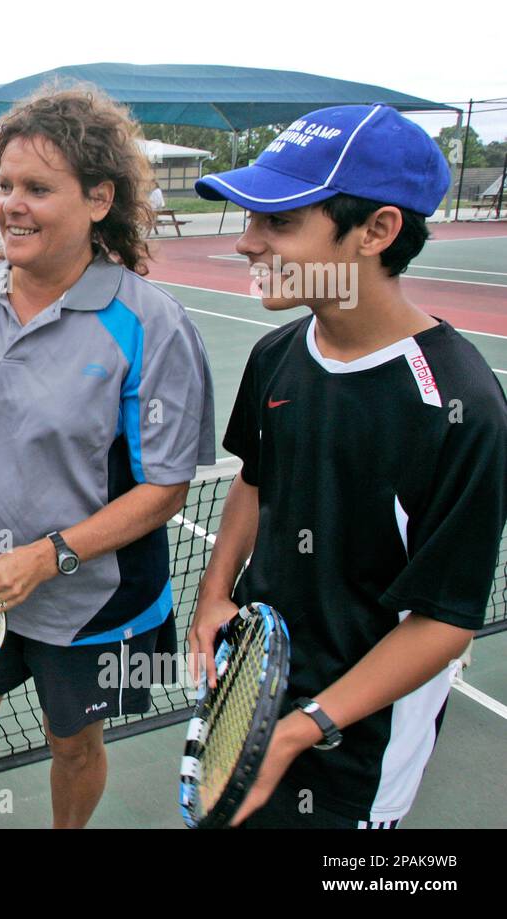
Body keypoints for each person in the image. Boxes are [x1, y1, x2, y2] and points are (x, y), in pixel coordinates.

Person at [0, 89, 215, 829]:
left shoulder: (150, 324)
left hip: (93, 600)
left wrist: (47, 558)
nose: (11, 205)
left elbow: (164, 489)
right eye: (4, 185)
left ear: (97, 199)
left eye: (37, 188)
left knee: (72, 741)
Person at [189, 104, 507, 828]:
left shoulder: (462, 409)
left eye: (278, 222)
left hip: (354, 762)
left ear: (378, 230)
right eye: (249, 220)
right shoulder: (277, 356)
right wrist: (214, 591)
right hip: (253, 698)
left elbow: (443, 625)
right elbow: (254, 479)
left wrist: (299, 730)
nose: (246, 243)